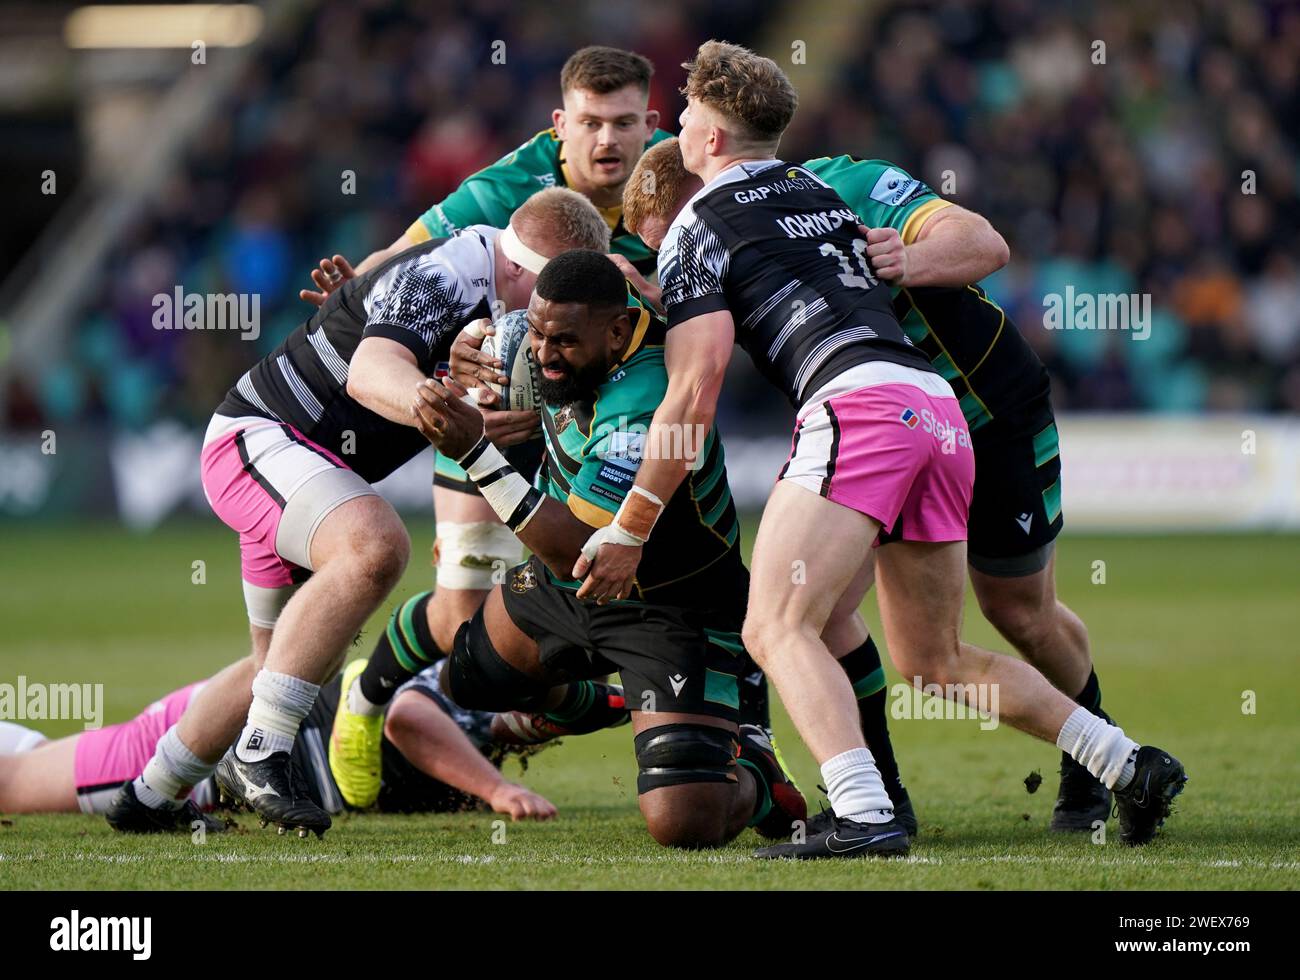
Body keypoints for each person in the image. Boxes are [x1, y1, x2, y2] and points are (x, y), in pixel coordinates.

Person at [575, 41, 1186, 857]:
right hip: (935, 411)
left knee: (775, 623)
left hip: (860, 408)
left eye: (685, 115)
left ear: (711, 139)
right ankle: (1128, 761)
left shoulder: (698, 223)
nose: (678, 125)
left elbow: (694, 389)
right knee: (931, 658)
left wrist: (630, 523)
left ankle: (866, 809)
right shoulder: (819, 189)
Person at [618, 136, 1118, 832]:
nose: (670, 260)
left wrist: (906, 259)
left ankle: (1098, 757)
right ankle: (880, 797)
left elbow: (983, 243)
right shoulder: (708, 235)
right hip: (883, 421)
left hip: (987, 410)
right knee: (818, 614)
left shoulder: (839, 184)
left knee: (1018, 612)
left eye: (664, 240)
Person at [105, 189, 611, 838]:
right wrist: (448, 410)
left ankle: (149, 795)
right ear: (518, 270)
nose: (552, 330)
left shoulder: (494, 280)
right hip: (261, 440)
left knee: (276, 665)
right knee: (376, 548)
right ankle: (263, 755)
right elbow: (370, 371)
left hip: (305, 467)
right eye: (552, 301)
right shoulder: (447, 273)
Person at [408, 250, 806, 848]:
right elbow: (495, 302)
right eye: (537, 332)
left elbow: (576, 548)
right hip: (562, 589)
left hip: (674, 607)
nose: (542, 353)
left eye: (561, 341)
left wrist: (475, 453)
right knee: (469, 681)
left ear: (617, 331)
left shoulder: (644, 399)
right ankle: (606, 701)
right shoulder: (563, 328)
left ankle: (755, 774)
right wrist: (463, 353)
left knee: (685, 824)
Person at [0, 658, 581, 823]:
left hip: (240, 733)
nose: (544, 730)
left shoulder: (489, 710)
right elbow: (408, 717)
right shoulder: (466, 674)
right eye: (547, 715)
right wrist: (498, 789)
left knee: (32, 760)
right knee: (16, 785)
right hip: (209, 747)